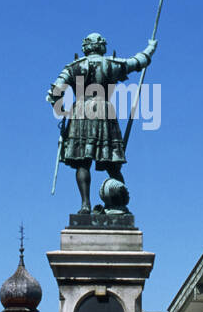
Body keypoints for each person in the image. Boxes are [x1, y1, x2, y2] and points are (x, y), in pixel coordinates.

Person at [47, 32, 156, 214]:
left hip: (80, 111)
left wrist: (60, 108)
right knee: (113, 164)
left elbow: (55, 91)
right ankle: (120, 204)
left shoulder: (73, 67)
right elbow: (138, 62)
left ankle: (85, 205)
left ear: (85, 47)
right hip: (104, 111)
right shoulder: (111, 64)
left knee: (83, 162)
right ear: (102, 46)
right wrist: (151, 47)